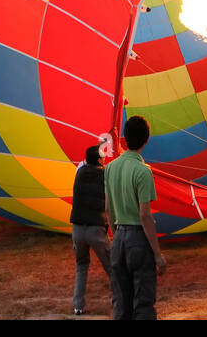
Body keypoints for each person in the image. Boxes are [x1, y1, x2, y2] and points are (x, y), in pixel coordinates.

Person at [104, 116, 167, 319]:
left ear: (124, 138)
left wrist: (117, 235)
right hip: (138, 240)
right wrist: (157, 254)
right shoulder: (143, 171)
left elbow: (107, 208)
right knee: (143, 303)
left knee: (121, 304)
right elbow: (144, 215)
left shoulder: (110, 168)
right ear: (146, 140)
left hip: (118, 238)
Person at [70, 144, 116, 315]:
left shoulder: (79, 172)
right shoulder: (104, 174)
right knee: (112, 268)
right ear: (99, 160)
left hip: (77, 230)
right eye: (102, 157)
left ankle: (78, 307)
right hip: (96, 229)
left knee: (81, 266)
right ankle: (118, 301)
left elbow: (83, 164)